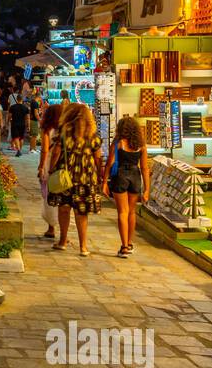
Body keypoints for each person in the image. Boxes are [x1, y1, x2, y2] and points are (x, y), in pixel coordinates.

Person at [47, 102, 105, 257]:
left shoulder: (64, 133)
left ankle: (63, 241)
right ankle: (83, 246)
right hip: (86, 178)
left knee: (64, 209)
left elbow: (56, 153)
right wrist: (99, 175)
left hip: (65, 176)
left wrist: (51, 169)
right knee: (82, 212)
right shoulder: (93, 136)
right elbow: (98, 158)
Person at [106, 116, 150, 258]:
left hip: (120, 176)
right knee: (131, 212)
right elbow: (144, 167)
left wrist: (104, 181)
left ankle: (124, 246)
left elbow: (109, 163)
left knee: (122, 212)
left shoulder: (118, 143)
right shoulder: (141, 145)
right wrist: (147, 189)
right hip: (135, 176)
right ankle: (130, 243)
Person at [36, 102, 63, 239]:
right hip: (62, 165)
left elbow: (45, 150)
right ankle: (61, 229)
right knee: (61, 196)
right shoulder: (63, 130)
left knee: (48, 195)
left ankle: (51, 227)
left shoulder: (46, 129)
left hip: (49, 164)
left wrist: (41, 166)